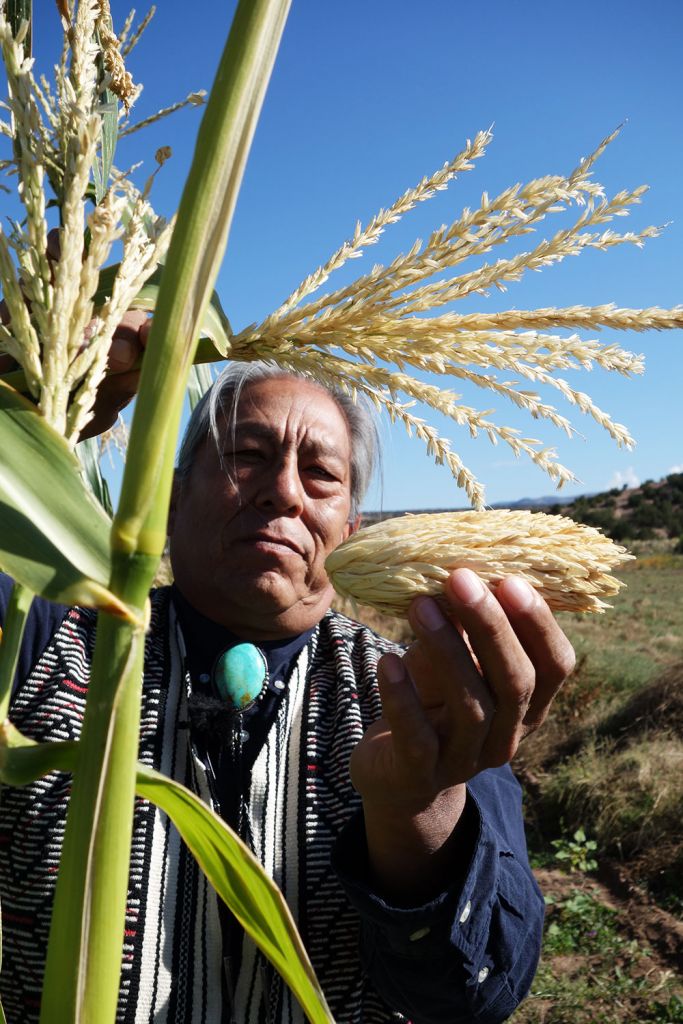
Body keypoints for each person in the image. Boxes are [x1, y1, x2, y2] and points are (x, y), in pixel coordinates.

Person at [0, 346, 575, 1023]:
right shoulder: (41, 641)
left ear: (350, 531)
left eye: (321, 474)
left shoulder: (421, 693)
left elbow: (472, 996)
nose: (285, 491)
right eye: (246, 455)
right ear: (175, 498)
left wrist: (416, 811)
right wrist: (26, 393)